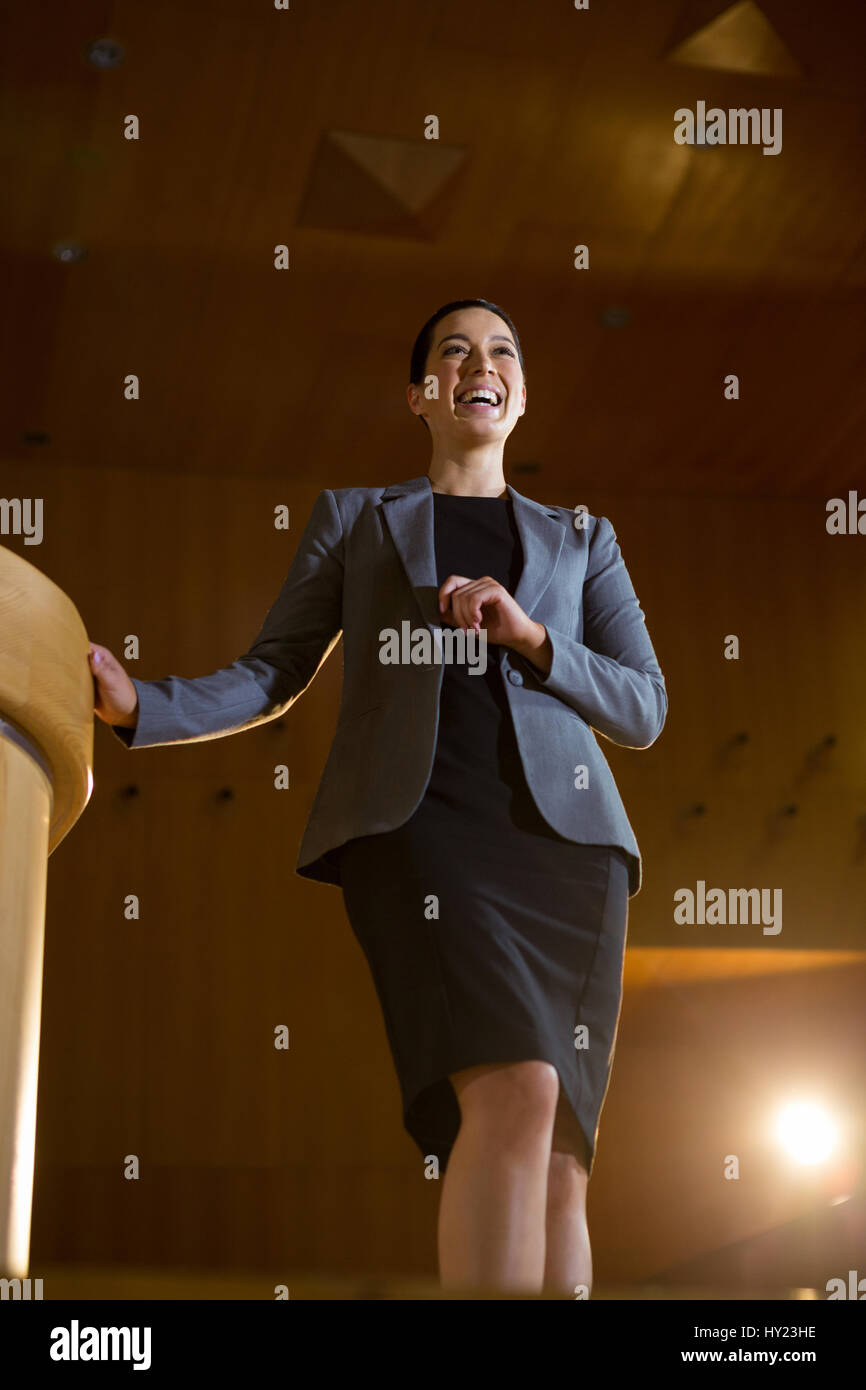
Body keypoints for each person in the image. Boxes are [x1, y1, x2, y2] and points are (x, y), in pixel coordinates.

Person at [90, 298, 667, 1297]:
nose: (476, 364)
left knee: (565, 1155)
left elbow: (643, 706)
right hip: (425, 833)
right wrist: (143, 703)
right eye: (452, 351)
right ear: (419, 394)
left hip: (571, 856)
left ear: (519, 396)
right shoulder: (356, 518)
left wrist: (530, 636)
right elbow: (273, 672)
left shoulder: (584, 539)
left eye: (499, 352)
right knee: (517, 1089)